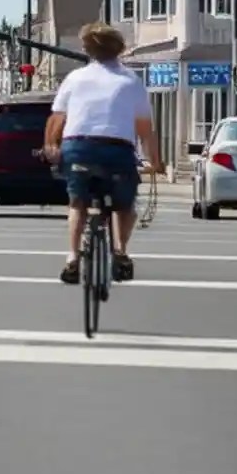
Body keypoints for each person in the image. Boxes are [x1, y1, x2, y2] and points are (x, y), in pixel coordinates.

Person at [41, 23, 161, 284]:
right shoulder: (131, 81)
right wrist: (155, 161)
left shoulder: (75, 78)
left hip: (77, 147)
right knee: (124, 205)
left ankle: (72, 258)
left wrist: (51, 145)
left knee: (77, 205)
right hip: (117, 150)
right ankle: (120, 252)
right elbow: (145, 130)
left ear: (89, 50)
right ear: (119, 50)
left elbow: (56, 119)